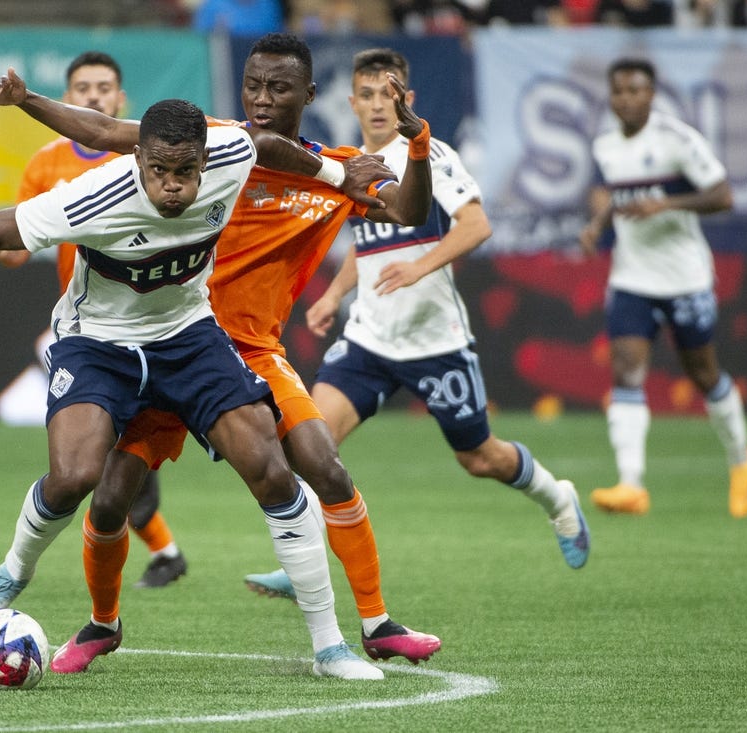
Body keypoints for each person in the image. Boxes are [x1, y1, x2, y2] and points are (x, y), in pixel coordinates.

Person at [0, 97, 404, 680]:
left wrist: (337, 174)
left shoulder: (232, 151)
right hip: (97, 343)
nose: (173, 186)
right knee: (77, 477)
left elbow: (263, 141)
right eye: (159, 170)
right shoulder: (97, 196)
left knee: (273, 471)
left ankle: (330, 648)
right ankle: (12, 573)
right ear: (138, 157)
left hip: (187, 334)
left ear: (207, 161)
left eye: (185, 172)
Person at [0, 32, 442, 675]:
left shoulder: (328, 169)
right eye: (253, 86)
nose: (262, 99)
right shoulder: (208, 146)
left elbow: (407, 211)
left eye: (278, 88)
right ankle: (102, 624)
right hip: (164, 337)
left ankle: (375, 624)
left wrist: (416, 146)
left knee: (320, 464)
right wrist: (27, 100)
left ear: (307, 94)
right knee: (110, 498)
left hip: (247, 347)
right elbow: (108, 132)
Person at [242, 48, 591, 602]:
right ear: (349, 101)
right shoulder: (349, 163)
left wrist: (419, 267)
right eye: (367, 94)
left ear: (407, 101)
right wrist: (335, 293)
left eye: (390, 94)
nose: (378, 105)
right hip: (368, 338)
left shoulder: (431, 155)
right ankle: (307, 565)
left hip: (435, 340)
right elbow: (368, 240)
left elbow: (476, 226)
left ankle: (558, 498)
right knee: (308, 448)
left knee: (479, 457)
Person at [0, 51, 187, 590]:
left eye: (104, 87)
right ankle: (163, 553)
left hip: (158, 324)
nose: (94, 96)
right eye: (82, 88)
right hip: (88, 331)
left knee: (120, 456)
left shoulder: (154, 161)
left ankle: (160, 553)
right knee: (97, 459)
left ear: (121, 99)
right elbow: (15, 248)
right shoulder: (46, 164)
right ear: (67, 97)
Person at [578, 57, 747, 518]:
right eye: (618, 91)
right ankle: (631, 485)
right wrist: (597, 223)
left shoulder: (677, 140)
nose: (627, 99)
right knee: (626, 370)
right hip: (632, 276)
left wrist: (668, 204)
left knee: (702, 373)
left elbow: (722, 195)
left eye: (636, 90)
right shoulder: (606, 147)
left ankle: (741, 458)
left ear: (651, 94)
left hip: (685, 278)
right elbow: (609, 193)